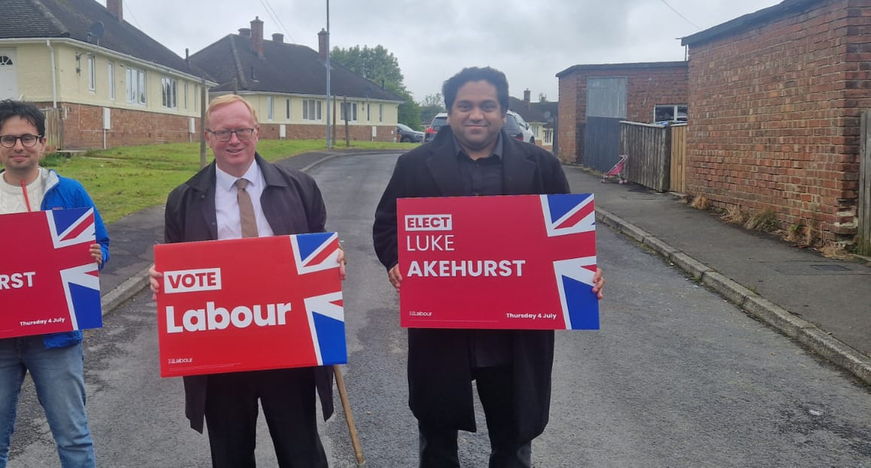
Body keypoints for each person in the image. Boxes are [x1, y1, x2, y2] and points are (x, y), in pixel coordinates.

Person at [371, 67, 604, 468]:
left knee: (513, 443)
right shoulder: (414, 166)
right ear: (450, 111)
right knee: (437, 439)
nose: (475, 115)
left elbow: (566, 237)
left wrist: (585, 273)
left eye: (486, 106)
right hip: (442, 331)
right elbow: (387, 224)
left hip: (514, 336)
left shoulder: (541, 166)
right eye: (465, 106)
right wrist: (397, 260)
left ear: (502, 112)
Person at [148, 94, 346, 468]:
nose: (233, 140)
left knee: (302, 452)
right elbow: (176, 265)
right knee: (231, 456)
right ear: (208, 137)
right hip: (222, 351)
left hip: (288, 345)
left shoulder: (300, 187)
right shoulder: (183, 199)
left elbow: (318, 247)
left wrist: (334, 259)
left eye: (242, 130)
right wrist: (161, 278)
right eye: (223, 132)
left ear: (257, 132)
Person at [0, 99, 109, 468]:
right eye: (8, 139)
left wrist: (97, 256)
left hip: (54, 337)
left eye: (26, 137)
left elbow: (100, 243)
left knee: (74, 439)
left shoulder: (68, 193)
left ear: (42, 143)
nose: (18, 146)